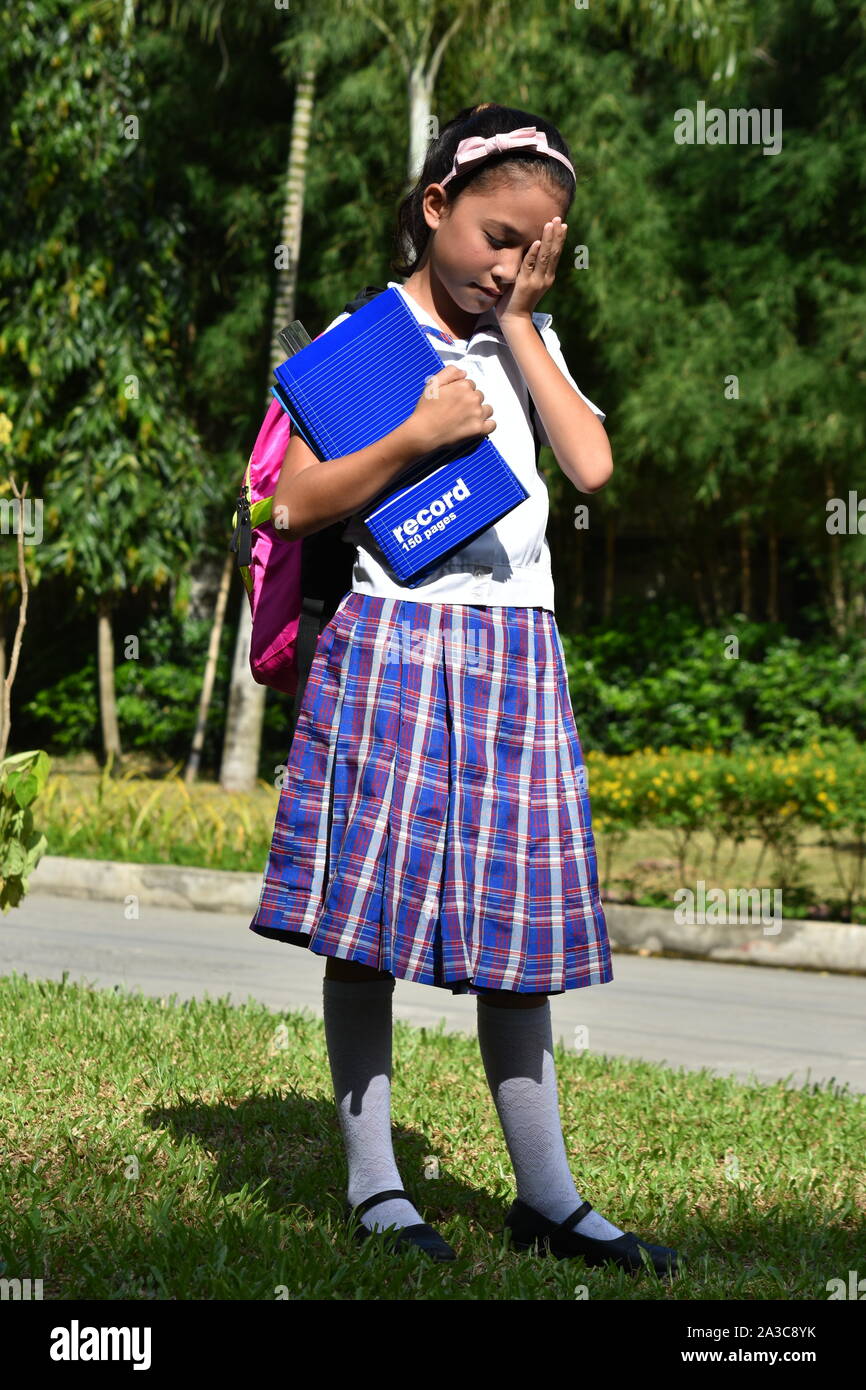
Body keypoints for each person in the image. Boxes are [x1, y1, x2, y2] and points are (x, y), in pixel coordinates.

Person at [249, 102, 681, 1279]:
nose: (509, 265)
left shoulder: (519, 344)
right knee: (367, 928)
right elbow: (284, 506)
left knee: (518, 937)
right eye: (497, 238)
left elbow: (589, 463)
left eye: (534, 250)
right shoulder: (363, 340)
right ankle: (373, 1183)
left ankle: (544, 1198)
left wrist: (525, 325)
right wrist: (417, 430)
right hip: (391, 643)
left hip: (513, 659)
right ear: (433, 207)